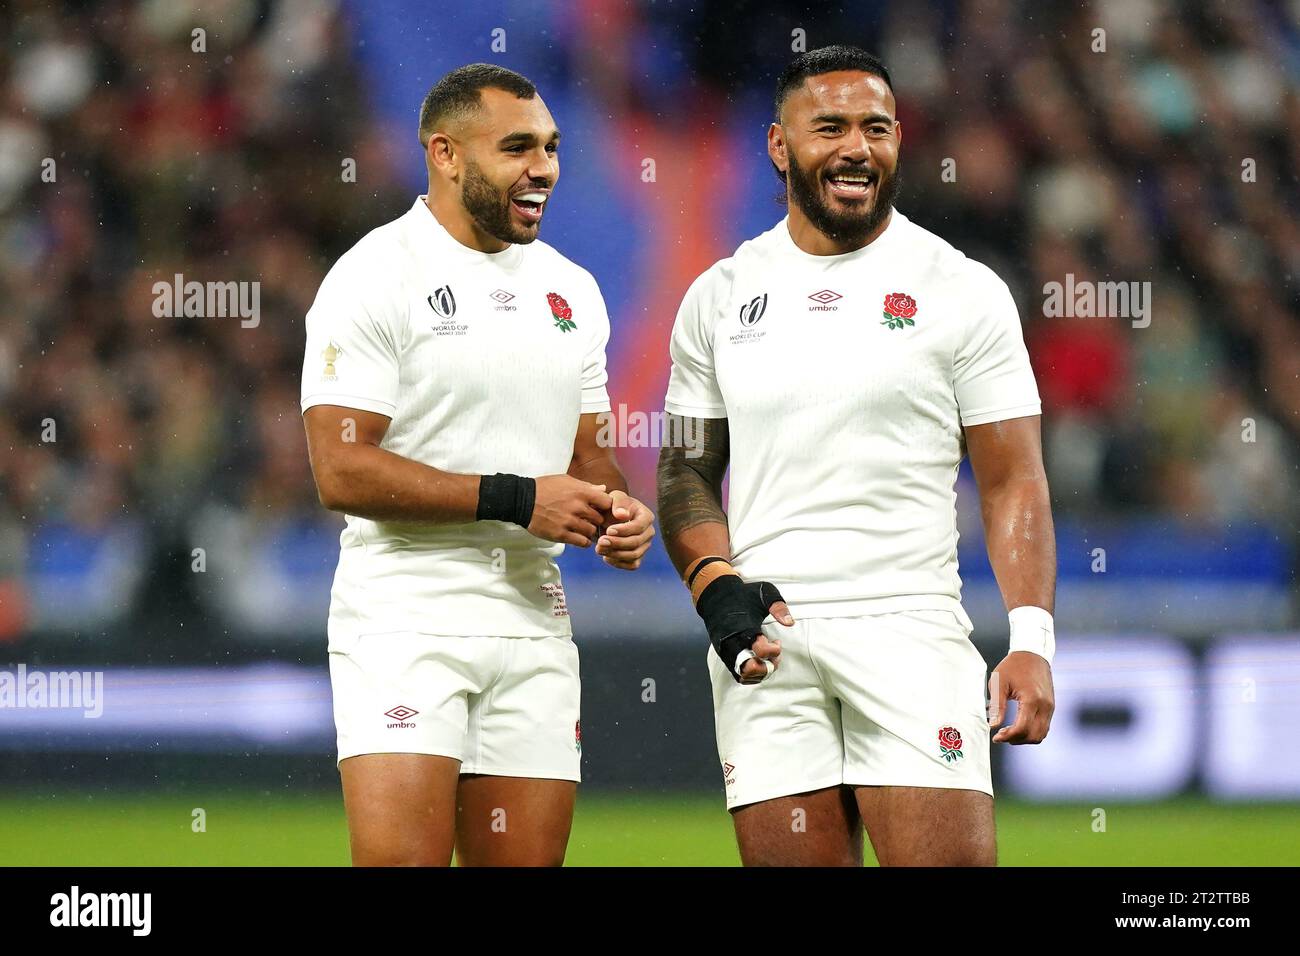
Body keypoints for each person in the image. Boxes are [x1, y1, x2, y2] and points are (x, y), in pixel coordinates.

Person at [656, 46, 1055, 866]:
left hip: (909, 633)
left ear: (899, 140)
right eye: (829, 126)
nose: (855, 147)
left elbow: (1012, 477)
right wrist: (715, 588)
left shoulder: (961, 289)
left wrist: (1031, 638)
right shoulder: (721, 297)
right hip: (767, 643)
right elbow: (686, 471)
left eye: (875, 128)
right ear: (778, 144)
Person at [301, 63, 655, 866]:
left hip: (533, 620)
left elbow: (589, 453)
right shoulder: (374, 276)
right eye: (518, 147)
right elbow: (341, 470)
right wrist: (516, 498)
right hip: (404, 615)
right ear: (446, 154)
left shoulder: (573, 290)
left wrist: (618, 510)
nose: (545, 169)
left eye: (553, 149)